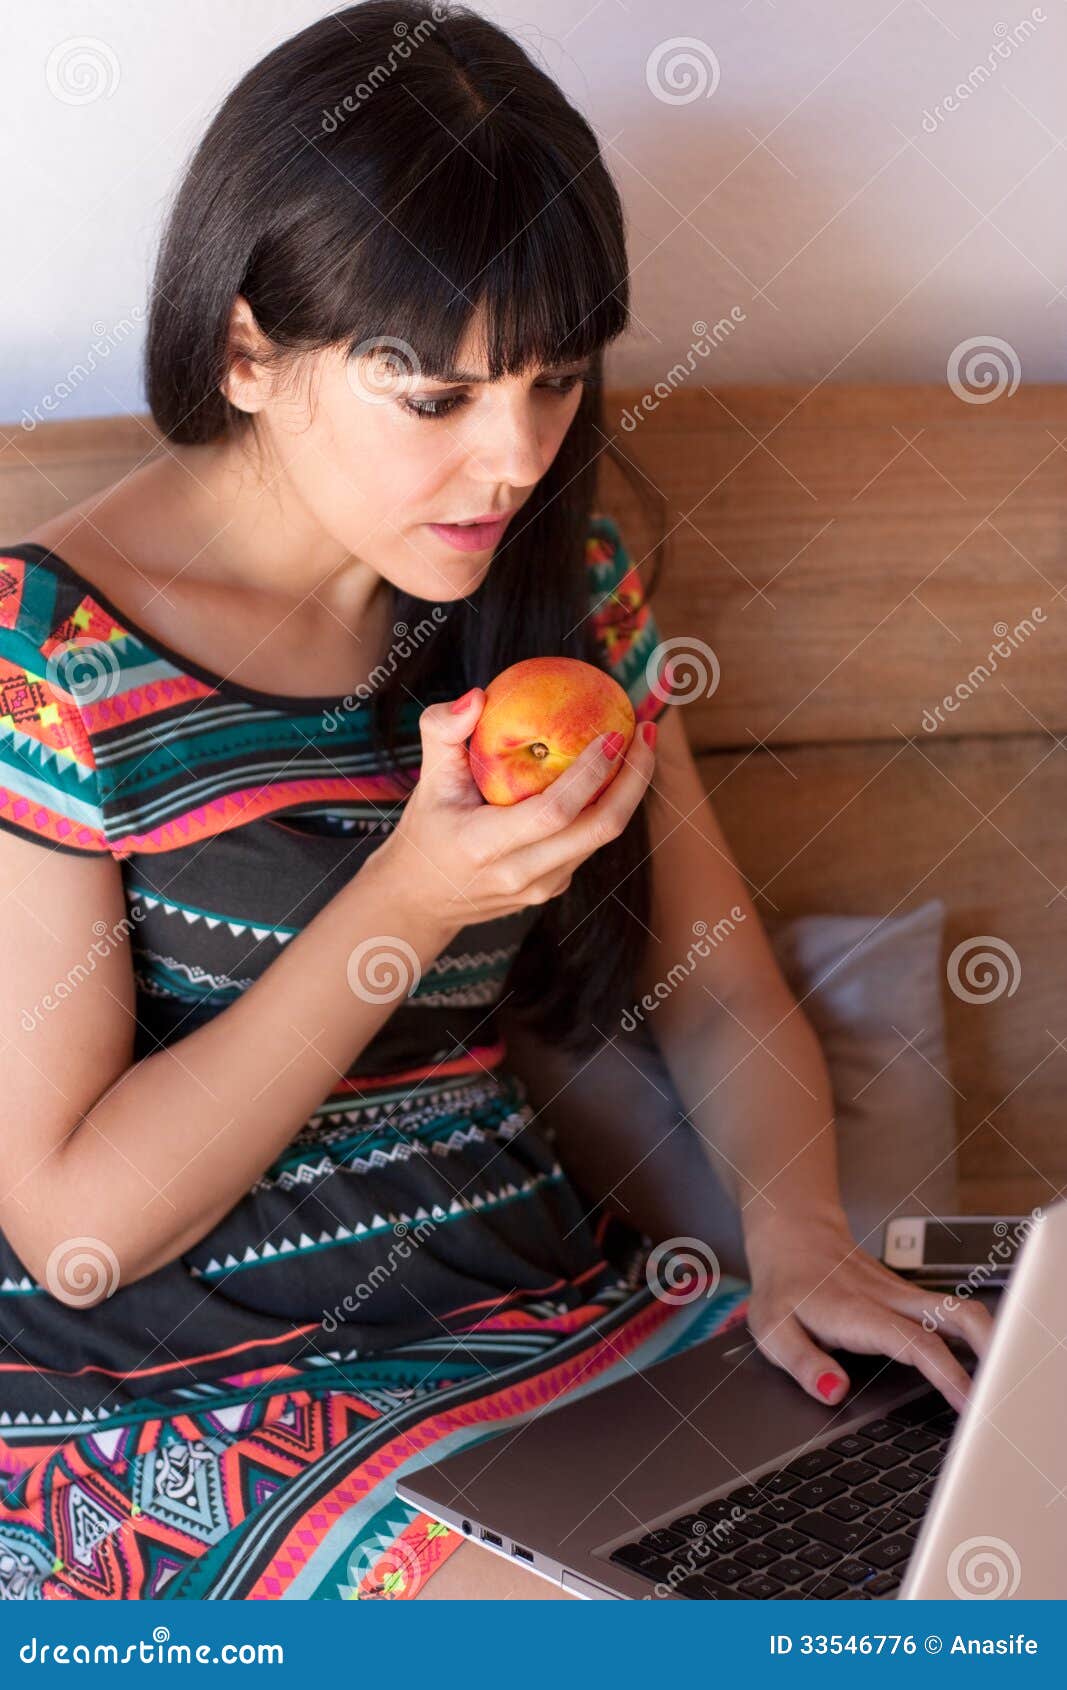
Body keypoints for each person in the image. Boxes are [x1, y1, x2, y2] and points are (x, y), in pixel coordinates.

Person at [0, 1, 990, 1601]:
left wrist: (799, 1235)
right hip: (179, 1427)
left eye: (553, 377)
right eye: (436, 397)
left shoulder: (558, 590)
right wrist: (403, 904)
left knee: (974, 1550)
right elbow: (78, 1232)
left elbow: (721, 989)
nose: (516, 456)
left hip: (546, 1341)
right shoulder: (44, 659)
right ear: (250, 346)